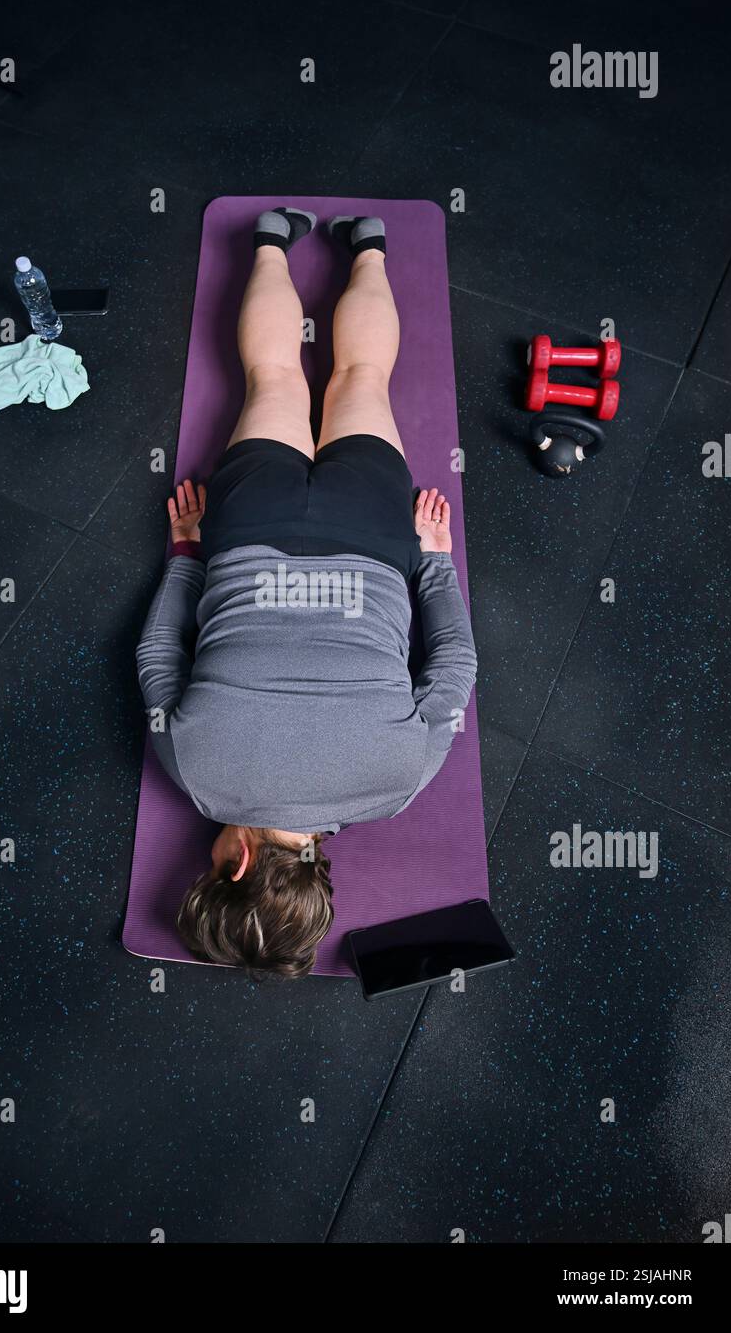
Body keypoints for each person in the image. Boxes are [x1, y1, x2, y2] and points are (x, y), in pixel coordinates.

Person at [136, 209, 477, 978]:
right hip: (251, 525)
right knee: (276, 377)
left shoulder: (394, 790)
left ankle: (369, 246)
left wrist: (434, 563)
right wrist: (189, 551)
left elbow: (454, 666)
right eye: (210, 862)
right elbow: (159, 647)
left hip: (372, 542)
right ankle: (269, 238)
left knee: (361, 380)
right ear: (235, 863)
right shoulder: (191, 774)